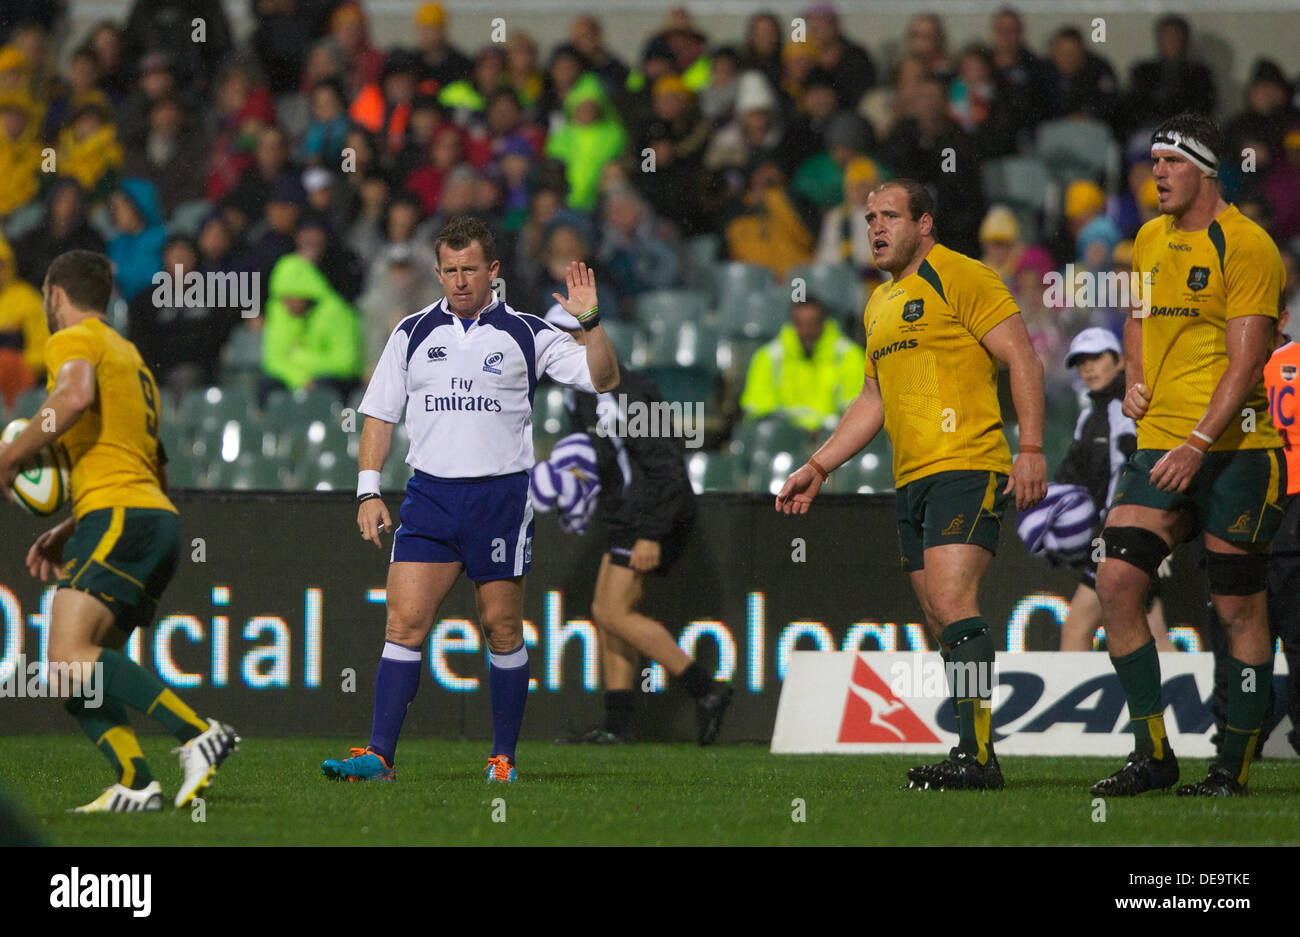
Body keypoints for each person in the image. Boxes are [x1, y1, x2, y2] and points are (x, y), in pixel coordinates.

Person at [320, 215, 619, 783]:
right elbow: (380, 414)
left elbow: (603, 378)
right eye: (450, 270)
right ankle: (380, 756)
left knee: (502, 629)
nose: (459, 281)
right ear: (438, 272)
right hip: (430, 497)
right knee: (403, 625)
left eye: (470, 269)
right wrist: (367, 491)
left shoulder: (528, 333)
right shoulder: (410, 333)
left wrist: (591, 323)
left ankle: (502, 756)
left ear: (493, 271)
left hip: (499, 500)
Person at [776, 178, 1048, 790]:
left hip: (967, 462)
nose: (875, 228)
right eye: (870, 217)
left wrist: (1030, 447)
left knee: (954, 603)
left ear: (924, 224)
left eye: (890, 216)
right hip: (912, 478)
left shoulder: (964, 276)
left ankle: (978, 759)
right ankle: (971, 749)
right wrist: (818, 466)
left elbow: (1024, 358)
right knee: (937, 616)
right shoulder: (878, 304)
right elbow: (871, 398)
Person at [1091, 113, 1287, 798]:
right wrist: (1136, 377)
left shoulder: (1249, 246)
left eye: (1171, 162)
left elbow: (1249, 357)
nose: (1158, 175)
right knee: (1116, 580)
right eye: (1153, 162)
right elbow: (1136, 317)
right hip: (1160, 445)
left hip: (1238, 451)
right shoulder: (1147, 239)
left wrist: (1199, 441)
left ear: (1206, 170)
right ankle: (1153, 753)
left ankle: (1230, 768)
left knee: (1238, 609)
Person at [0, 250, 237, 812]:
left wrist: (10, 455)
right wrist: (72, 525)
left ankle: (198, 733)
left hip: (119, 515)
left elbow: (73, 398)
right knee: (75, 672)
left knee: (63, 658)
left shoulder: (72, 341)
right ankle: (136, 782)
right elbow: (155, 463)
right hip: (150, 519)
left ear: (55, 296)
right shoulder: (129, 356)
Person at [542, 304, 730, 745]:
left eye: (560, 338)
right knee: (607, 616)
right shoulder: (585, 394)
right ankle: (618, 724)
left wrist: (651, 531)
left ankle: (706, 691)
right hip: (629, 516)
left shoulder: (624, 393)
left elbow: (667, 468)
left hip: (647, 516)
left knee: (612, 612)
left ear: (583, 338)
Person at [1019, 327, 1173, 652]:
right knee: (1153, 633)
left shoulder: (1127, 410)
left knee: (1077, 629)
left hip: (1122, 535)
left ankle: (1073, 704)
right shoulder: (1089, 416)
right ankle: (1184, 702)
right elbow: (1072, 477)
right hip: (1116, 536)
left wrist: (1151, 532)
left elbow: (1139, 471)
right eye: (1081, 362)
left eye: (1096, 358)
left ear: (1119, 361)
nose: (1088, 368)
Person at [740, 297, 865, 431]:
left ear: (824, 323)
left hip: (832, 440)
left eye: (812, 323)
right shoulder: (768, 356)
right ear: (791, 323)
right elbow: (757, 407)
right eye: (799, 323)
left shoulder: (850, 355)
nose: (806, 331)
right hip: (782, 439)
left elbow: (856, 410)